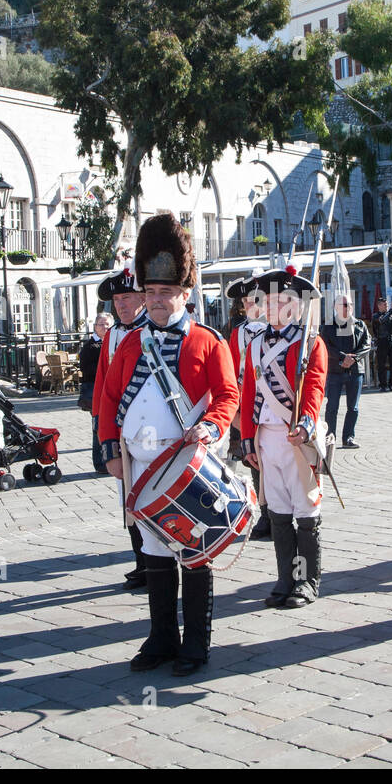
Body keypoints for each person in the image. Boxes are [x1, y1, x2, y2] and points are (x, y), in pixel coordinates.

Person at [97, 214, 238, 676]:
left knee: (193, 553)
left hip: (187, 467)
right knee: (156, 556)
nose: (156, 302)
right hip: (140, 469)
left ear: (185, 293)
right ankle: (160, 637)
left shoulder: (209, 342)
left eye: (166, 293)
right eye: (150, 293)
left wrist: (214, 428)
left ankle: (196, 644)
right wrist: (110, 451)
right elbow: (109, 398)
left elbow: (228, 396)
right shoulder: (130, 343)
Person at [241, 265, 328, 610]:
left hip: (297, 438)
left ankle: (306, 580)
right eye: (268, 301)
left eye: (280, 301)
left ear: (295, 305)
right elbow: (249, 392)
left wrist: (306, 423)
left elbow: (316, 387)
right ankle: (284, 578)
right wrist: (247, 439)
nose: (272, 307)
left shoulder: (310, 342)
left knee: (305, 512)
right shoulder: (256, 342)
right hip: (267, 439)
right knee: (277, 511)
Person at [92, 258, 148, 587]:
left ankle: (159, 562)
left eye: (126, 298)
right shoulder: (112, 335)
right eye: (115, 301)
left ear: (142, 297)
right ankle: (141, 560)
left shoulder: (151, 331)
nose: (120, 305)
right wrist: (102, 428)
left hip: (148, 426)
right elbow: (103, 384)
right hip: (121, 428)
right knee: (126, 496)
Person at [225, 273, 270, 541]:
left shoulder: (276, 328)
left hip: (273, 405)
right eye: (246, 300)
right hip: (247, 408)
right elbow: (231, 371)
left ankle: (280, 515)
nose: (251, 304)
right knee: (254, 461)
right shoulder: (238, 333)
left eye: (256, 299)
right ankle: (265, 513)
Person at [320, 292, 371, 449]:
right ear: (335, 307)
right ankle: (330, 436)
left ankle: (348, 437)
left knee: (353, 407)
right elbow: (325, 347)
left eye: (349, 305)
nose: (348, 308)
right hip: (335, 371)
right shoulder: (328, 326)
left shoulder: (360, 325)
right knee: (332, 406)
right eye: (344, 305)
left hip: (355, 371)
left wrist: (353, 358)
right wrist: (343, 357)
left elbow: (367, 344)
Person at [77, 311, 112, 418]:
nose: (104, 327)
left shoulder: (112, 342)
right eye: (101, 324)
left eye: (107, 324)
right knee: (98, 421)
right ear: (95, 327)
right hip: (95, 388)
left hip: (109, 388)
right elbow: (85, 368)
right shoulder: (90, 346)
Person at [372, 296, 392, 392]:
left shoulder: (390, 314)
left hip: (391, 340)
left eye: (387, 304)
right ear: (379, 306)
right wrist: (391, 310)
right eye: (385, 305)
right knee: (381, 364)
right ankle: (383, 385)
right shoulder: (375, 316)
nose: (386, 306)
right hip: (381, 340)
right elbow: (382, 320)